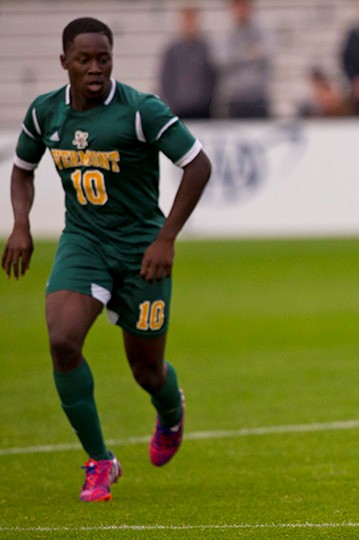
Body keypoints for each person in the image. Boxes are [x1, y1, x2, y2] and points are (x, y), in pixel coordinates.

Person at [1, 17, 212, 502]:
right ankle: (99, 460)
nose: (95, 69)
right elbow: (22, 169)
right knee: (62, 340)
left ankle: (171, 410)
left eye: (104, 59)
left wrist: (166, 238)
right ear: (64, 63)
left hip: (143, 253)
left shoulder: (140, 110)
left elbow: (198, 164)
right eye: (84, 60)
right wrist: (20, 224)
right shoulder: (45, 112)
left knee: (146, 371)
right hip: (84, 244)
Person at [158, 5, 217, 119]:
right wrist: (171, 104)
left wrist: (208, 101)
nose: (189, 24)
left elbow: (212, 77)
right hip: (178, 109)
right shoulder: (172, 50)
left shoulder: (205, 48)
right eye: (186, 20)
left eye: (191, 20)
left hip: (203, 110)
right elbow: (165, 80)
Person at [219, 0, 273, 118]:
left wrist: (236, 58)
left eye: (243, 5)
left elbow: (267, 51)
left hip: (258, 98)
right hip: (235, 99)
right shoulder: (228, 35)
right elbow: (223, 60)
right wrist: (249, 54)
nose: (241, 10)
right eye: (237, 6)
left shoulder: (261, 32)